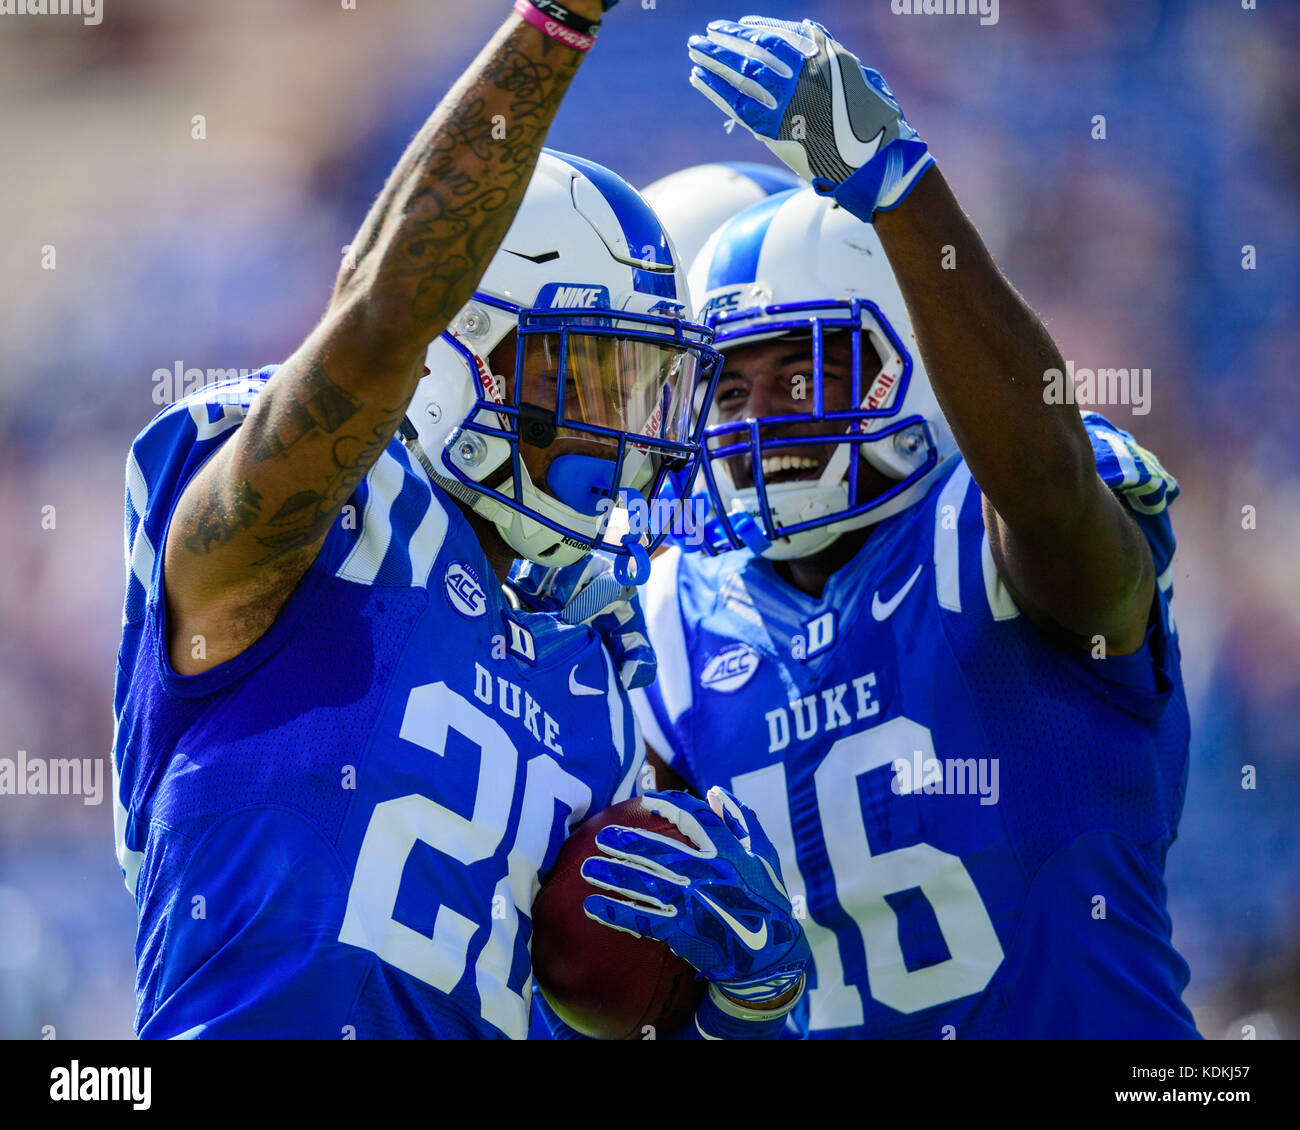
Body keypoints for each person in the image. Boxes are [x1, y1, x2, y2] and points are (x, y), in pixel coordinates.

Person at [110, 1, 806, 1040]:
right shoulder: (305, 531)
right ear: (459, 347)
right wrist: (554, 22)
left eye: (641, 391)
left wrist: (740, 1003)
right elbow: (379, 315)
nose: (620, 438)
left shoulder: (596, 679)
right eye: (591, 379)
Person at [629, 16, 1198, 1038]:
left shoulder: (991, 530)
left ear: (921, 364)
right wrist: (736, 1007)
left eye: (805, 370)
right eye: (731, 385)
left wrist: (900, 188)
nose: (760, 416)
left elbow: (1052, 490)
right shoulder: (672, 622)